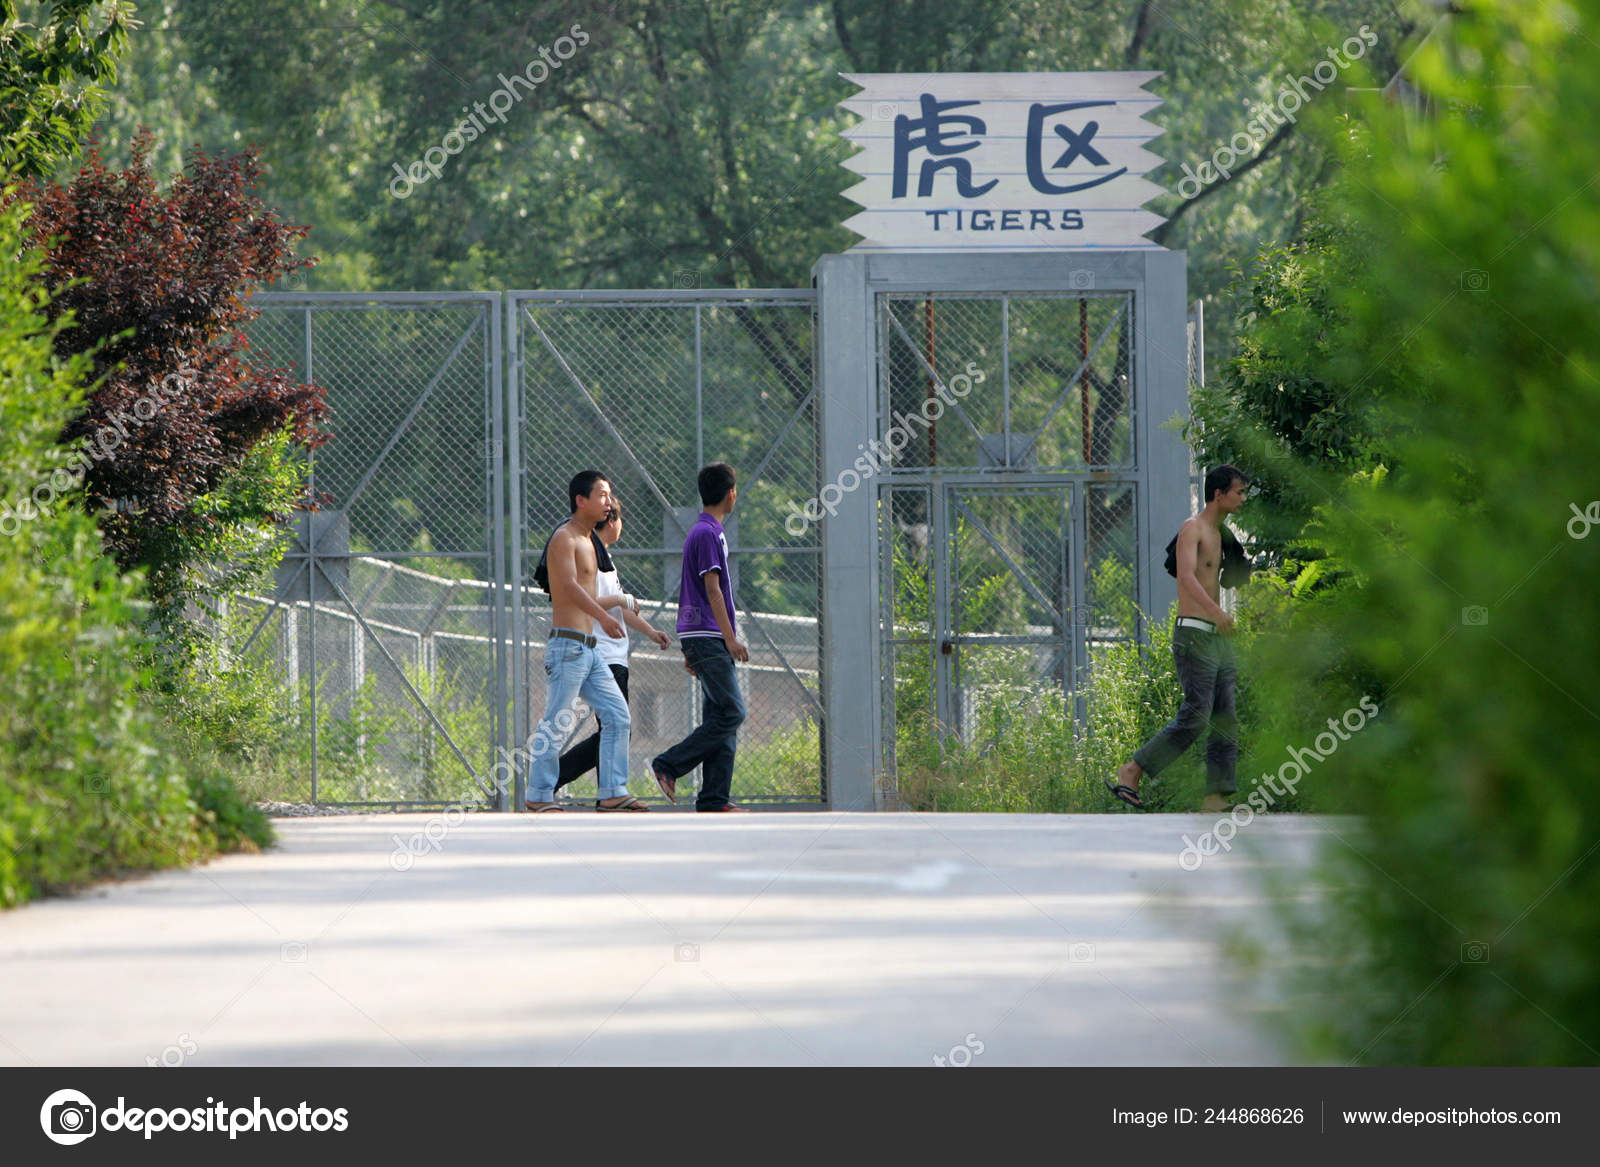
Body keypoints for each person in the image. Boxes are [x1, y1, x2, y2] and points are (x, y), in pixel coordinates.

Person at [1106, 465, 1250, 813]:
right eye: (1239, 492)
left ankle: (1215, 797)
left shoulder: (1222, 535)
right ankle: (1132, 770)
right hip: (1194, 635)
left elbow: (1232, 578)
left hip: (1217, 639)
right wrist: (1218, 615)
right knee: (1196, 715)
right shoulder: (1193, 529)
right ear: (1219, 494)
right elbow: (1186, 577)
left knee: (1225, 718)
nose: (1243, 499)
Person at [524, 470, 648, 813]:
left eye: (610, 496)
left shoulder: (590, 542)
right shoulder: (564, 537)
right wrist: (606, 617)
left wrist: (617, 610)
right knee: (556, 720)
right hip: (568, 647)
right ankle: (538, 795)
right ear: (581, 500)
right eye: (603, 495)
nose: (609, 502)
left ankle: (612, 791)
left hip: (590, 648)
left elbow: (593, 593)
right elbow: (568, 587)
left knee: (618, 716)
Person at [555, 497, 673, 794]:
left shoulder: (606, 561)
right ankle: (561, 776)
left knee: (615, 727)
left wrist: (649, 631)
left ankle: (602, 791)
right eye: (620, 520)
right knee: (618, 727)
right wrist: (621, 600)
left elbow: (620, 611)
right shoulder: (591, 557)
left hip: (614, 655)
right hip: (602, 655)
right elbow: (589, 600)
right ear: (612, 522)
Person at [649, 462, 749, 813]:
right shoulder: (707, 533)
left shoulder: (706, 531)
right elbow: (712, 590)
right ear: (731, 493)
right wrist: (730, 637)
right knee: (733, 712)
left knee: (720, 715)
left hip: (703, 637)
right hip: (709, 634)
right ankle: (669, 764)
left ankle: (713, 798)